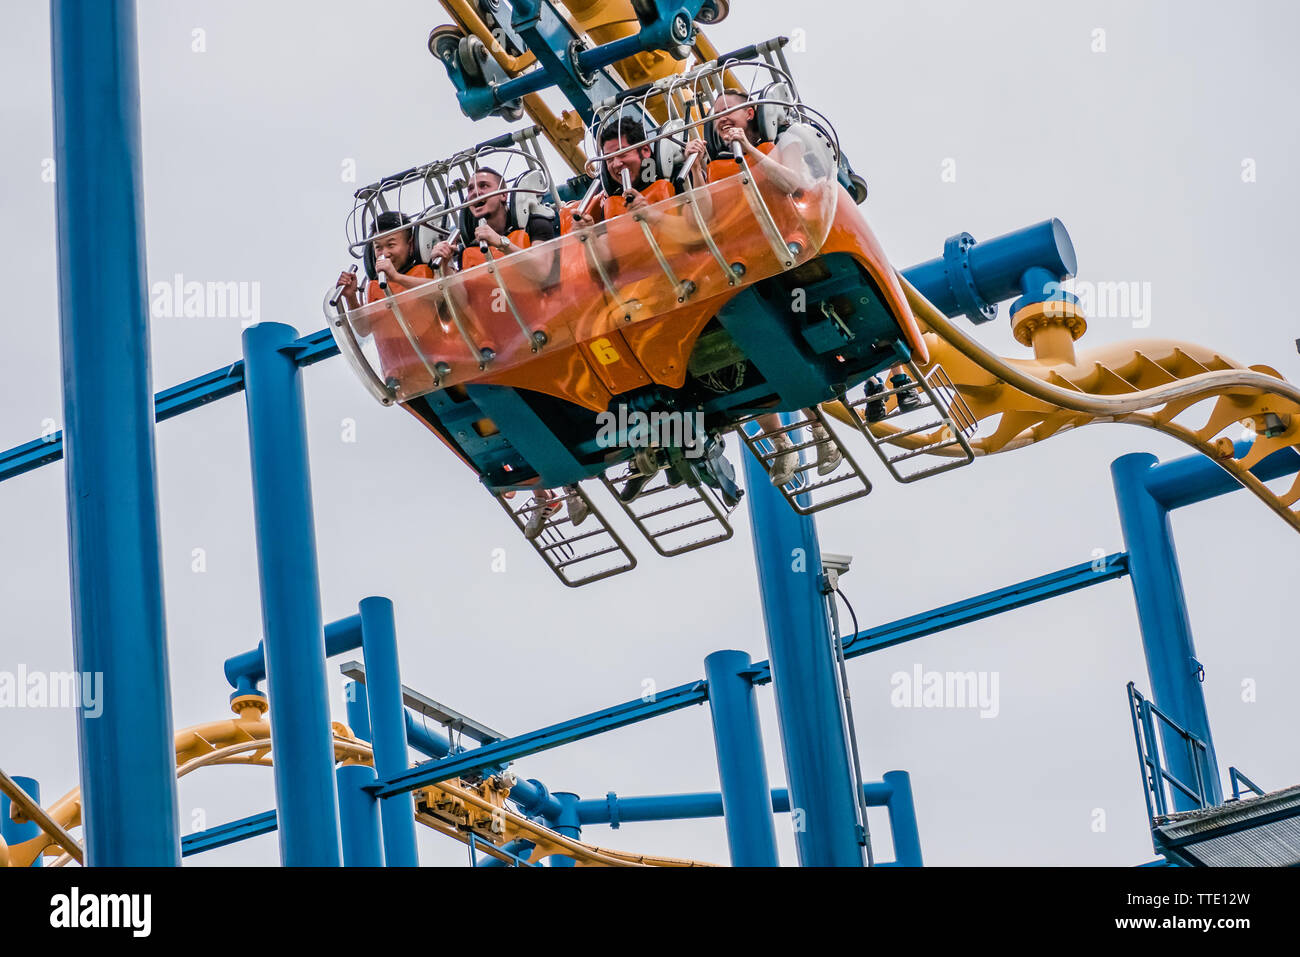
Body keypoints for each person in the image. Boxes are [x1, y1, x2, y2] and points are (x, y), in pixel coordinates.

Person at [428, 167, 587, 540]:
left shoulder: (536, 219)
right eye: (470, 188)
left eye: (483, 186)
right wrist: (447, 269)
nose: (475, 192)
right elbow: (454, 308)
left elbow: (544, 272)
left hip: (543, 328)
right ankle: (549, 493)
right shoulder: (465, 243)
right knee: (507, 417)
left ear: (503, 194)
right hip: (497, 343)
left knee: (549, 410)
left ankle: (569, 487)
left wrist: (500, 243)